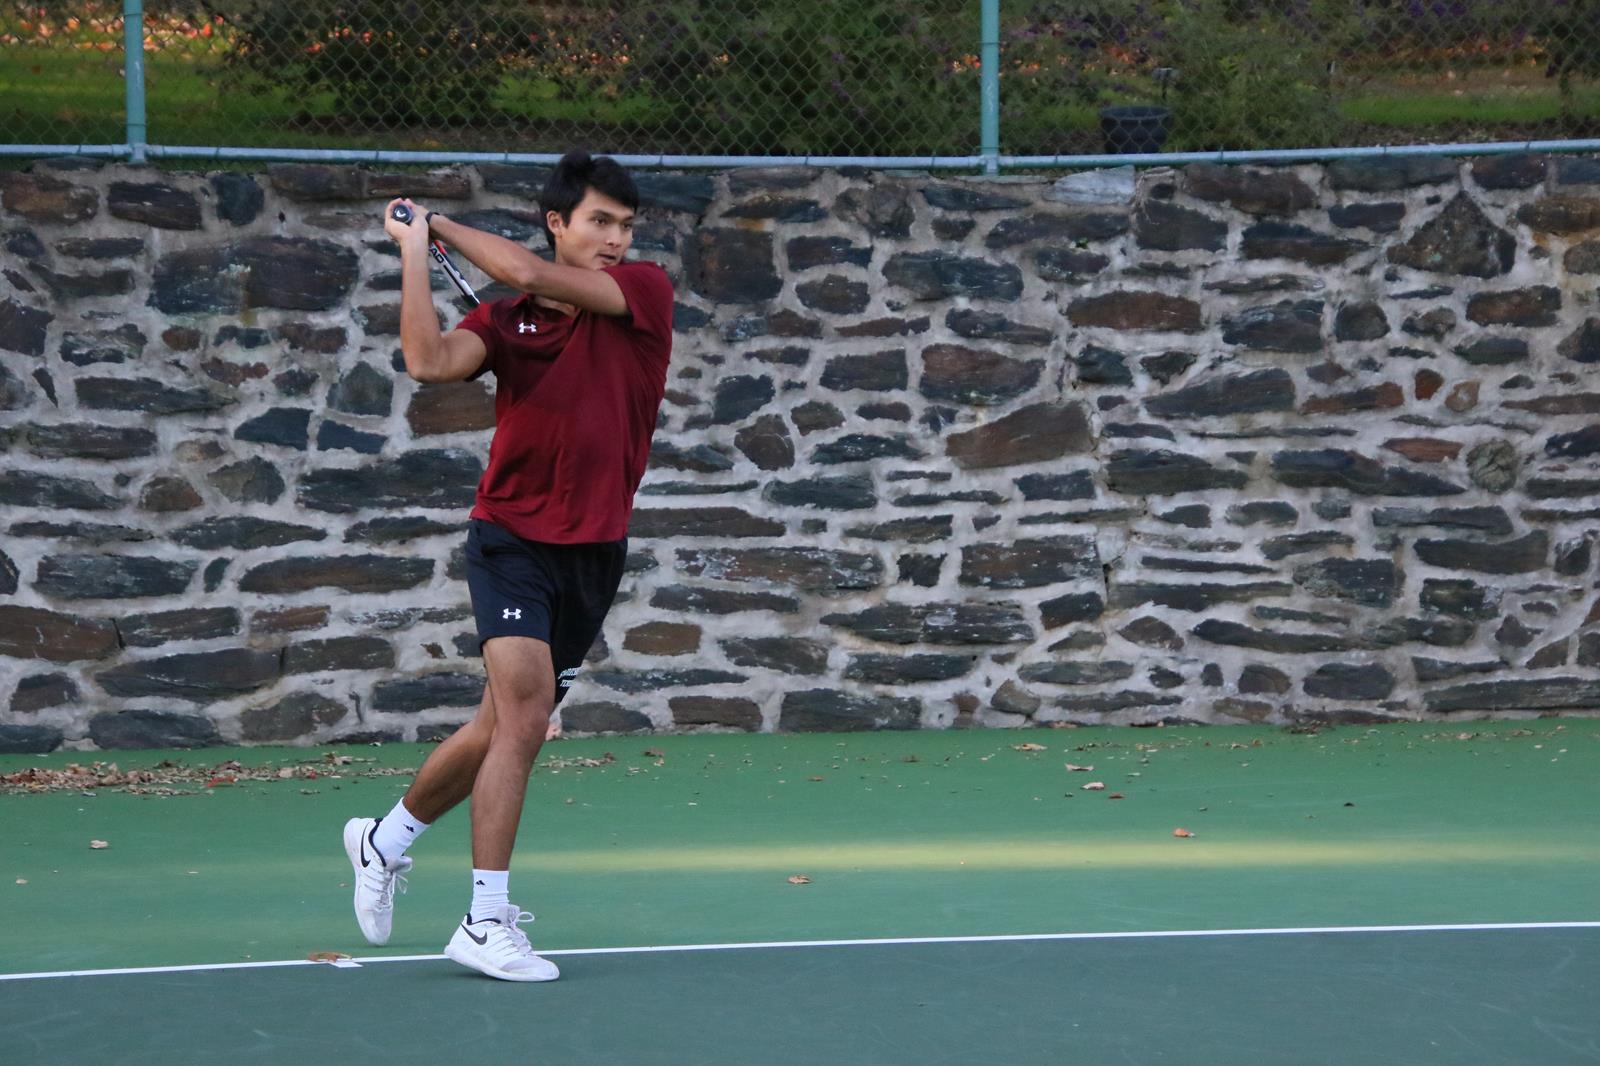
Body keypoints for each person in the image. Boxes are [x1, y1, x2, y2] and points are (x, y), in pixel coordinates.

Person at [343, 150, 673, 982]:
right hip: (510, 541)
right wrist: (417, 257)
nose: (616, 239)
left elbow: (524, 268)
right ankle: (484, 920)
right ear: (559, 221)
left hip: (594, 552)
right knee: (525, 719)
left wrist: (440, 222)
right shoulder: (504, 325)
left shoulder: (643, 295)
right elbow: (427, 362)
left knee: (498, 726)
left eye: (625, 225)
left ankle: (384, 842)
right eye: (599, 221)